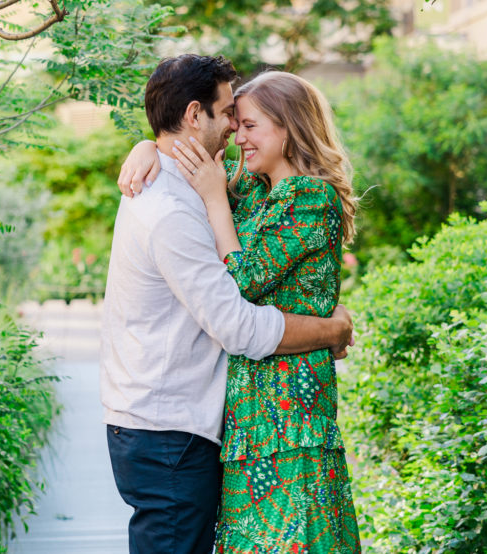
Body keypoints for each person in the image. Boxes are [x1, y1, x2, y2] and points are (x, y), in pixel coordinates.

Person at [101, 55, 355, 554]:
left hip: (270, 413)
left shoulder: (229, 191)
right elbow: (238, 322)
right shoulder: (178, 204)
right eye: (230, 117)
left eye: (248, 124)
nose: (235, 134)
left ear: (289, 130)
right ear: (195, 116)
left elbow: (241, 263)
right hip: (179, 425)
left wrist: (155, 148)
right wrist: (332, 330)